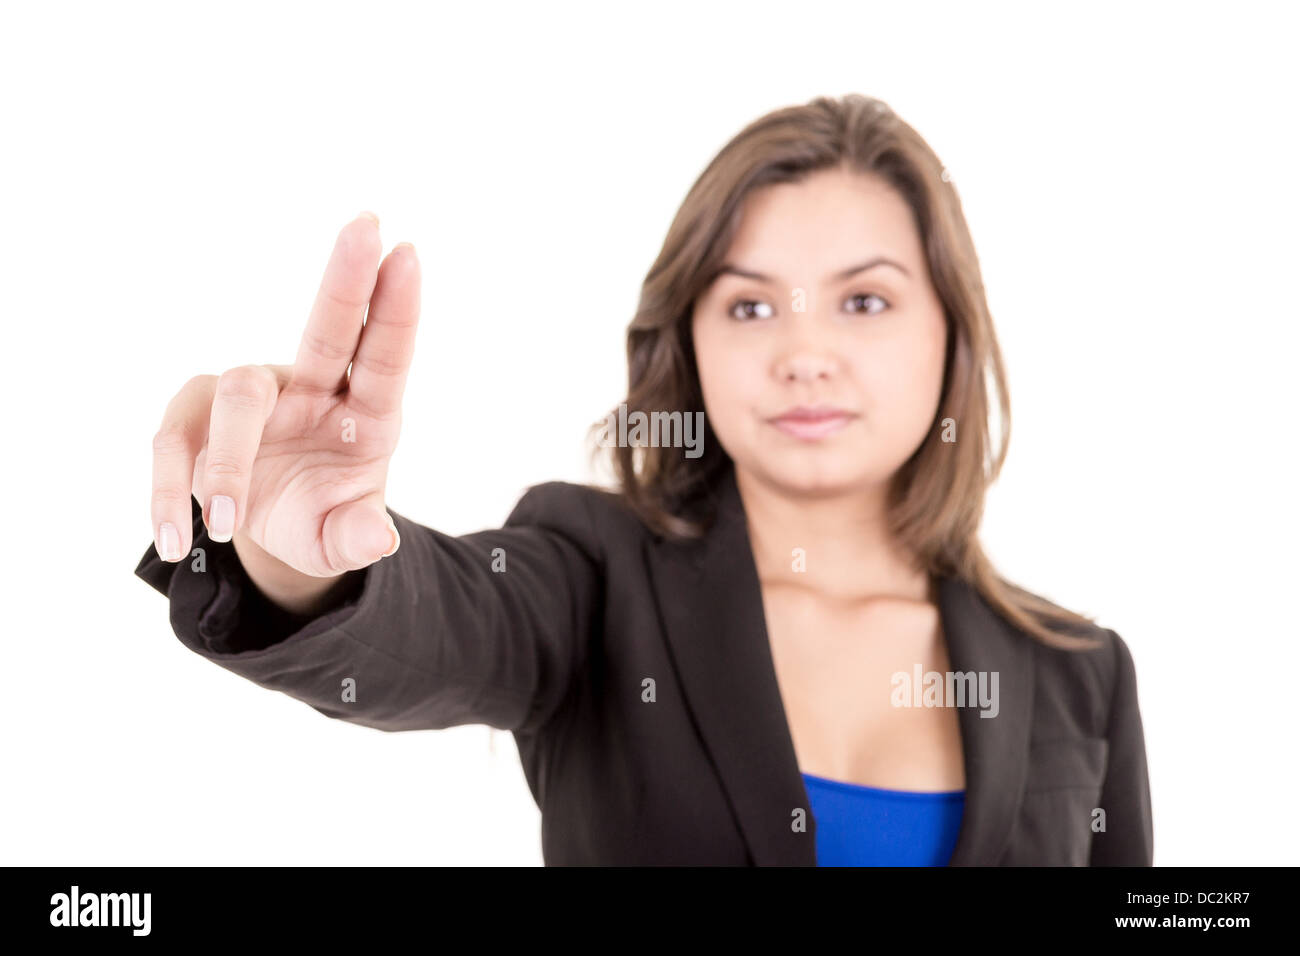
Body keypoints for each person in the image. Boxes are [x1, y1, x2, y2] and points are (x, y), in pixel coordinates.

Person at [135, 93, 1153, 866]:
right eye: (750, 308)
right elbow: (435, 620)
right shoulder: (596, 575)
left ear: (951, 331)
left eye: (865, 301)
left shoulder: (1077, 671)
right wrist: (291, 554)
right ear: (692, 340)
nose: (805, 352)